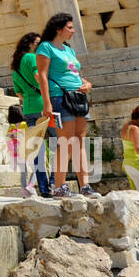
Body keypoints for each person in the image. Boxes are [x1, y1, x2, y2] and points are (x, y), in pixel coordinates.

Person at [35, 13, 96, 197]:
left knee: (79, 142)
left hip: (78, 97)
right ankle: (60, 186)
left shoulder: (69, 50)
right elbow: (42, 75)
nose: (73, 31)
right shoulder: (45, 47)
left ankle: (85, 185)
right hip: (59, 98)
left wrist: (87, 84)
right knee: (66, 142)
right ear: (58, 29)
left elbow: (75, 73)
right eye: (69, 27)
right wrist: (47, 103)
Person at [10, 32, 51, 197]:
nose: (40, 45)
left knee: (37, 150)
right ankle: (56, 182)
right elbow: (37, 75)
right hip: (42, 104)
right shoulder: (32, 58)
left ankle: (44, 187)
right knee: (59, 143)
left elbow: (18, 93)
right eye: (38, 42)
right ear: (30, 44)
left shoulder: (16, 66)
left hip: (28, 108)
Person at [6, 104, 29, 193]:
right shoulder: (24, 124)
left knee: (23, 172)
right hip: (24, 149)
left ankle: (24, 189)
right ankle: (29, 188)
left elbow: (9, 136)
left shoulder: (11, 126)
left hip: (15, 152)